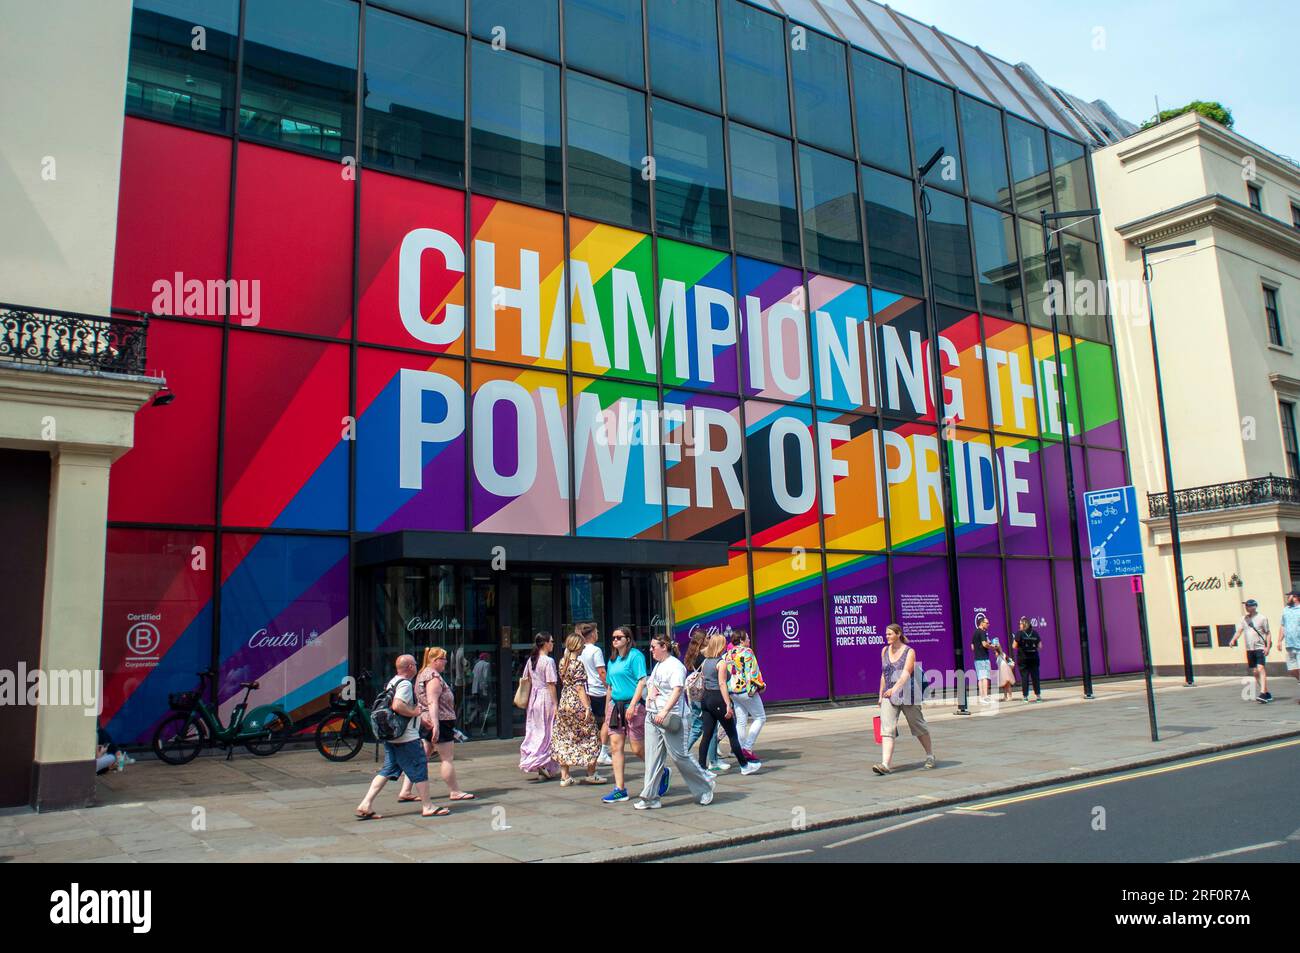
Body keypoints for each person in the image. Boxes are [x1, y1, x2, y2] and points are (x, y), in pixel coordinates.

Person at [356, 654, 446, 818]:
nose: (417, 666)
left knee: (387, 770)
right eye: (415, 664)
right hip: (406, 738)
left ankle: (365, 804)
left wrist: (421, 721)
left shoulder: (393, 682)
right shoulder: (404, 684)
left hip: (392, 736)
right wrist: (415, 712)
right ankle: (428, 806)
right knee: (419, 768)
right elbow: (398, 706)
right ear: (410, 667)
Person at [636, 634, 716, 809]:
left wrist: (664, 711)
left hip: (673, 717)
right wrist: (650, 694)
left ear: (664, 646)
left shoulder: (675, 666)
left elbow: (677, 690)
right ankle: (650, 798)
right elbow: (651, 684)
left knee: (680, 756)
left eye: (653, 647)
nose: (651, 650)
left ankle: (705, 786)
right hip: (653, 716)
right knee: (653, 758)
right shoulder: (658, 666)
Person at [399, 648, 475, 804]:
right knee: (447, 758)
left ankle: (406, 790)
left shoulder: (422, 674)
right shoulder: (432, 677)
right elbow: (432, 701)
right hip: (439, 720)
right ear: (435, 661)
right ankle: (455, 791)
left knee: (421, 758)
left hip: (427, 720)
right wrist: (436, 726)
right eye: (443, 659)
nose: (446, 662)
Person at [872, 623, 935, 775]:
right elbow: (884, 675)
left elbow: (906, 674)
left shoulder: (909, 651)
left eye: (889, 634)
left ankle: (930, 755)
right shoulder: (884, 651)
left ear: (898, 634)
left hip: (908, 694)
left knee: (918, 726)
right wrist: (881, 694)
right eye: (886, 634)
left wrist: (894, 689)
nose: (886, 636)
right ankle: (885, 764)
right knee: (887, 729)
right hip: (889, 696)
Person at [696, 634, 758, 774]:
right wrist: (728, 705)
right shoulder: (721, 663)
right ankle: (744, 765)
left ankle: (701, 768)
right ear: (720, 646)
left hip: (706, 699)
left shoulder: (705, 661)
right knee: (732, 734)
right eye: (724, 644)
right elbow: (722, 684)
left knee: (707, 735)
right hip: (717, 698)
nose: (725, 646)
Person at [601, 625, 649, 803]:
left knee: (636, 749)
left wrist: (633, 705)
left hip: (632, 706)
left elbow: (641, 681)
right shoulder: (612, 660)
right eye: (613, 637)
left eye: (619, 637)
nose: (615, 640)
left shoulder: (635, 656)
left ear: (628, 639)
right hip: (615, 706)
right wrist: (607, 709)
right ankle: (620, 788)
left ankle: (657, 770)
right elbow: (610, 686)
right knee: (615, 747)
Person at [553, 632, 605, 785]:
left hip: (565, 702)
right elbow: (580, 687)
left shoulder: (563, 662)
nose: (583, 647)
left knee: (565, 736)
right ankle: (591, 772)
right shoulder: (577, 664)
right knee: (591, 736)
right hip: (577, 703)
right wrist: (587, 707)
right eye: (581, 645)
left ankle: (565, 776)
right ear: (577, 646)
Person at [519, 633, 561, 779]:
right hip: (545, 698)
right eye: (552, 641)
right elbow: (551, 684)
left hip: (534, 699)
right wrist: (556, 703)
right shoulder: (548, 661)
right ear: (545, 644)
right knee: (547, 732)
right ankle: (542, 763)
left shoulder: (532, 660)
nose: (553, 644)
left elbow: (527, 678)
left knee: (536, 731)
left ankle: (542, 765)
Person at [684, 632, 725, 772]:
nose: (710, 639)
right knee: (711, 729)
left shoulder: (690, 654)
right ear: (702, 640)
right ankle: (713, 761)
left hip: (694, 694)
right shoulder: (705, 656)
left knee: (696, 726)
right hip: (704, 693)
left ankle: (685, 752)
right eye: (707, 637)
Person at [725, 630, 766, 762]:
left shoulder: (729, 654)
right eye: (747, 638)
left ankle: (739, 748)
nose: (749, 640)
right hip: (746, 690)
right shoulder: (747, 652)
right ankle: (747, 748)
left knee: (741, 721)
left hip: (733, 691)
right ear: (741, 641)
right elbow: (753, 672)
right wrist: (760, 685)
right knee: (760, 717)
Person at [578, 622, 612, 766]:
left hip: (585, 690)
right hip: (598, 690)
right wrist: (609, 685)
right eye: (596, 632)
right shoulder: (596, 650)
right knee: (606, 719)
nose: (597, 634)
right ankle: (602, 751)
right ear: (592, 634)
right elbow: (601, 671)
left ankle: (588, 750)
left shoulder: (579, 650)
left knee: (589, 722)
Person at [1230, 599, 1273, 703]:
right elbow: (1239, 630)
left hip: (1260, 646)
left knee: (1260, 668)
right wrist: (1233, 639)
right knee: (1255, 671)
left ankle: (1262, 693)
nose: (1246, 608)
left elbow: (1268, 633)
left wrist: (1267, 647)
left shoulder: (1262, 618)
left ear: (1254, 607)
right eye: (1246, 606)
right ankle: (1266, 693)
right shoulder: (1244, 619)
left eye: (1248, 606)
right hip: (1250, 648)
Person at [1013, 617, 1042, 701]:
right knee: (1035, 677)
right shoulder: (1035, 633)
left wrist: (1021, 646)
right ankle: (1038, 696)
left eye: (1020, 624)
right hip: (1034, 658)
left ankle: (1025, 697)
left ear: (1024, 624)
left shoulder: (1019, 633)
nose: (1019, 625)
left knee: (1024, 677)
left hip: (1023, 659)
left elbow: (1014, 646)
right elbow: (1040, 646)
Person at [1280, 590, 1300, 702]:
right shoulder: (1286, 610)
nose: (1288, 598)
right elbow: (1282, 626)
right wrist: (1279, 641)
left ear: (1296, 597)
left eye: (1289, 596)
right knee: (1292, 670)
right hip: (1290, 645)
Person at [971, 615, 993, 703]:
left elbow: (972, 647)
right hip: (983, 658)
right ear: (982, 623)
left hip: (977, 658)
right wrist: (992, 647)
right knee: (985, 678)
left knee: (980, 678)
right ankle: (985, 697)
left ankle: (982, 697)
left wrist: (978, 649)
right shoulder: (982, 632)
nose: (988, 624)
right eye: (987, 623)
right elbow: (984, 644)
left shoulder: (975, 632)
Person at [469, 651, 492, 731]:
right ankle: (483, 727)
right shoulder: (486, 664)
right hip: (482, 690)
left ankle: (470, 722)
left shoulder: (476, 664)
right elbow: (485, 677)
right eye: (488, 657)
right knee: (484, 709)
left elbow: (473, 675)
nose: (489, 659)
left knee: (478, 707)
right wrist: (485, 689)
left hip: (475, 689)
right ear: (485, 657)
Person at [994, 636, 1016, 702]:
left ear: (998, 652)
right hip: (1002, 672)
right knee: (1004, 685)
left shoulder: (1002, 654)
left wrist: (997, 643)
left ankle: (1010, 696)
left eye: (995, 652)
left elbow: (1000, 648)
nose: (994, 654)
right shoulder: (997, 658)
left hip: (1006, 671)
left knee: (1008, 684)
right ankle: (1005, 696)